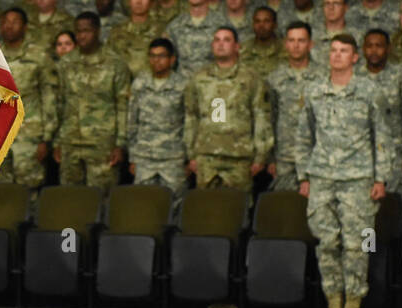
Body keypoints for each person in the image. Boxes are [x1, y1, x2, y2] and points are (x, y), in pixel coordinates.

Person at [298, 34, 391, 308]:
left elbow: (382, 137)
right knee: (327, 244)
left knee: (357, 245)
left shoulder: (369, 91)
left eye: (344, 51)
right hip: (322, 177)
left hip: (358, 178)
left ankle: (353, 307)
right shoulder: (314, 92)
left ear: (355, 57)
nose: (337, 55)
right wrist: (304, 176)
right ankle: (333, 306)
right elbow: (303, 136)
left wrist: (381, 177)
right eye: (334, 50)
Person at [184, 26, 272, 196]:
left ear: (237, 46)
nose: (221, 44)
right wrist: (191, 154)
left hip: (239, 157)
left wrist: (261, 155)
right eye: (217, 40)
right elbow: (191, 116)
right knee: (206, 210)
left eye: (226, 40)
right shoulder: (199, 78)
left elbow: (261, 117)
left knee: (237, 212)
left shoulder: (251, 78)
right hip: (206, 156)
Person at [53, 12, 129, 191]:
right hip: (70, 141)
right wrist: (57, 141)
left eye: (86, 31)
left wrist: (120, 144)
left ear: (98, 31)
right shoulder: (66, 63)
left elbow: (123, 106)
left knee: (101, 198)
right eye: (78, 31)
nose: (81, 36)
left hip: (102, 144)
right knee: (70, 197)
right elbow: (59, 103)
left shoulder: (115, 64)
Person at [0, 7, 58, 189]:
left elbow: (49, 95)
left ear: (25, 27)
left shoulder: (38, 55)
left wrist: (46, 138)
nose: (9, 26)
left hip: (30, 134)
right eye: (6, 22)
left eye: (15, 22)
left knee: (29, 189)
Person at [361, 29, 402, 198]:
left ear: (388, 48)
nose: (374, 51)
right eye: (369, 46)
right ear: (363, 49)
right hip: (362, 156)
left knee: (393, 208)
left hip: (395, 154)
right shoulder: (355, 76)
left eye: (379, 46)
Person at [127, 38, 189, 209]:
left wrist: (188, 157)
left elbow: (190, 123)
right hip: (144, 157)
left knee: (175, 206)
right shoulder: (140, 83)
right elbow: (132, 121)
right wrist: (132, 156)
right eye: (152, 56)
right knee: (142, 205)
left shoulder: (183, 85)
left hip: (173, 158)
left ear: (172, 59)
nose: (156, 60)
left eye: (161, 56)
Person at [267, 22, 325, 191]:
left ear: (310, 44)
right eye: (291, 40)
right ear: (286, 44)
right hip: (285, 156)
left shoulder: (323, 77)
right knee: (286, 209)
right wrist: (271, 158)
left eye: (301, 40)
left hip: (317, 155)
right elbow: (270, 119)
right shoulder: (275, 78)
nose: (296, 45)